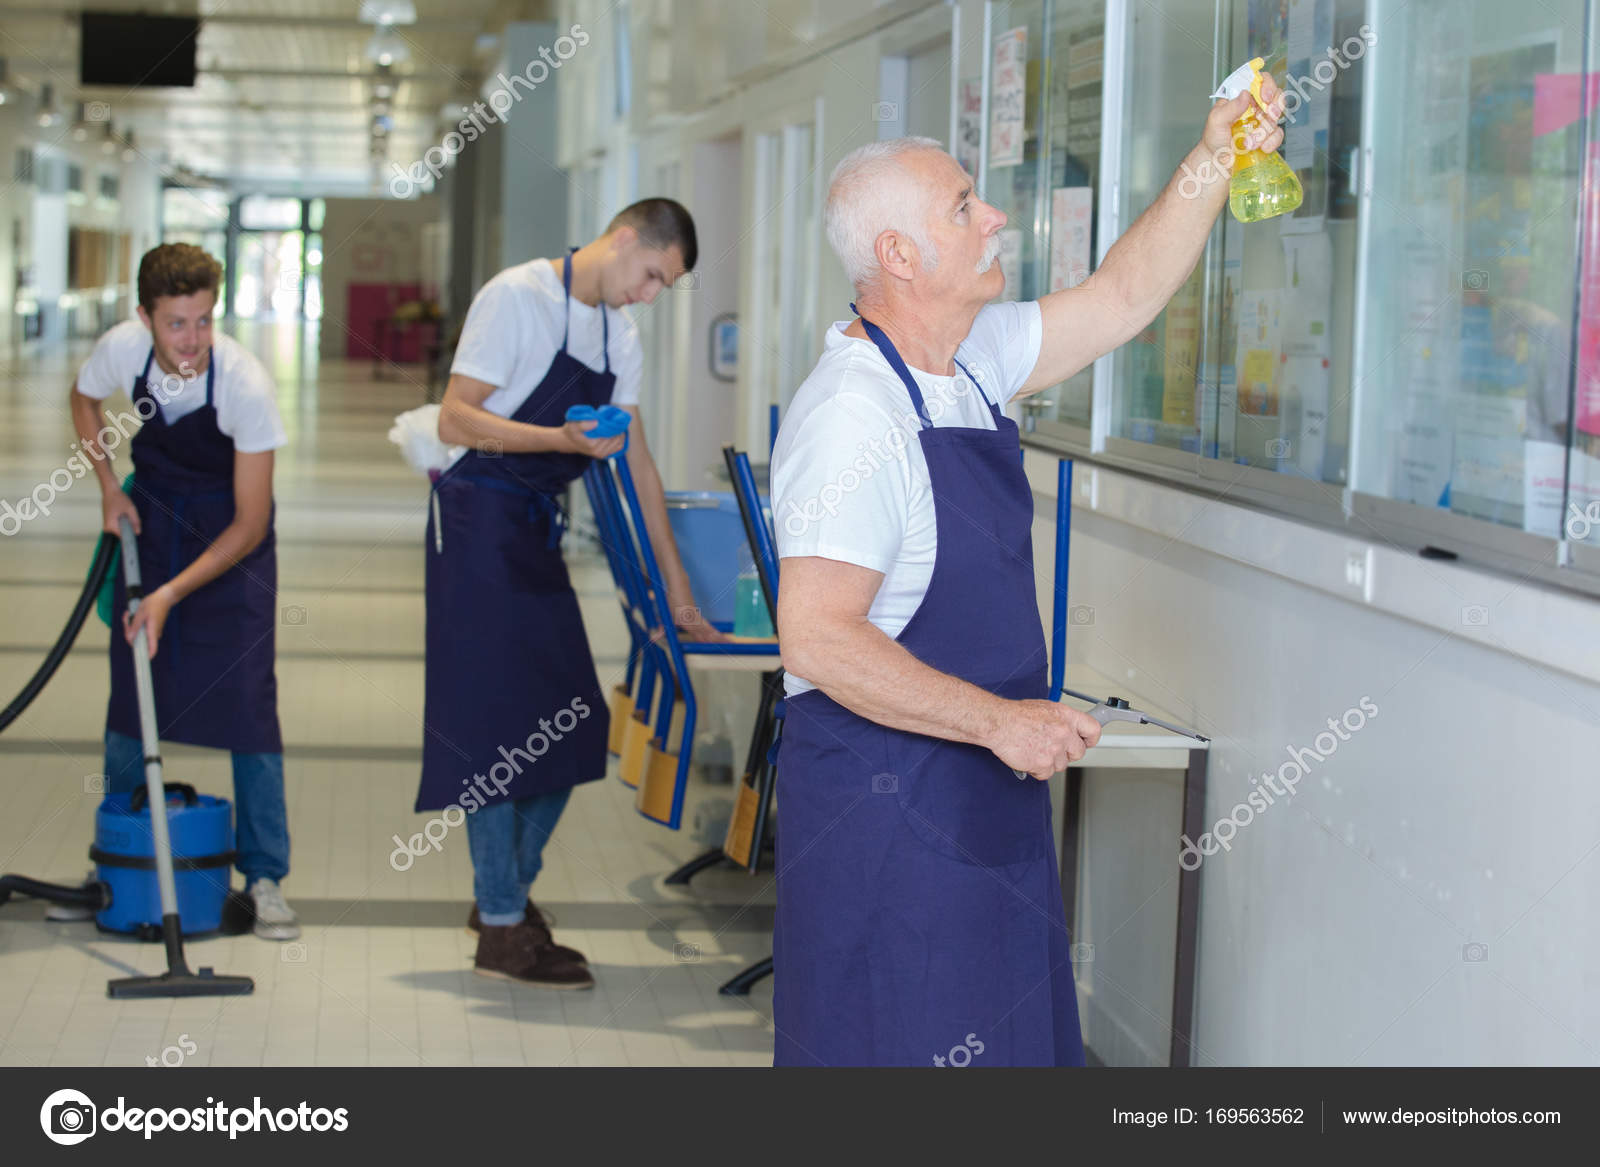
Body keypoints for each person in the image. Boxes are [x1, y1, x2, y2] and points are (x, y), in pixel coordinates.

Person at [770, 81, 1286, 1064]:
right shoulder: (854, 417)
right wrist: (1000, 721)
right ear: (898, 255)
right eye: (964, 205)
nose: (995, 214)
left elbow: (1123, 296)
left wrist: (1214, 152)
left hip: (980, 799)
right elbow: (819, 636)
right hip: (892, 813)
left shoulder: (966, 363)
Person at [421, 198, 721, 988]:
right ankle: (501, 924)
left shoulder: (617, 334)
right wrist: (559, 440)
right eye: (654, 274)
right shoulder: (515, 297)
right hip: (477, 521)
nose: (651, 295)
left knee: (570, 728)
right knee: (494, 736)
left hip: (534, 529)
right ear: (624, 240)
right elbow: (456, 419)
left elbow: (639, 464)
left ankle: (503, 898)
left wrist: (678, 587)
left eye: (667, 285)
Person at [66, 243, 297, 941]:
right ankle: (121, 854)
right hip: (154, 522)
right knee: (129, 699)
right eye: (175, 324)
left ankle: (264, 877)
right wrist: (109, 487)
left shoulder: (244, 383)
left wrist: (170, 594)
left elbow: (252, 519)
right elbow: (82, 398)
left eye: (202, 321)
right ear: (145, 317)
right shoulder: (122, 350)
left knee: (249, 704)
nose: (191, 340)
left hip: (233, 545)